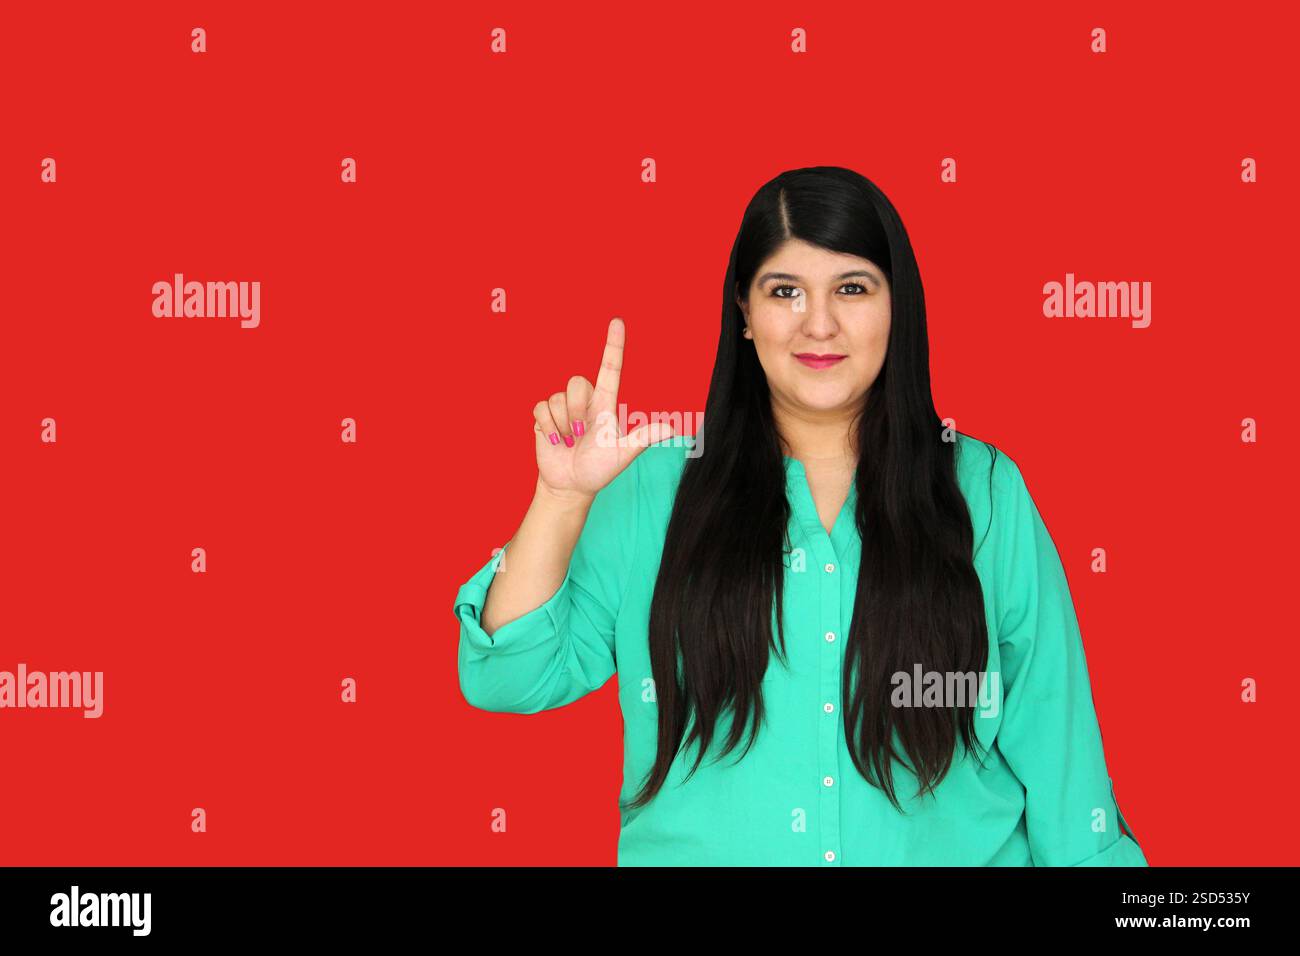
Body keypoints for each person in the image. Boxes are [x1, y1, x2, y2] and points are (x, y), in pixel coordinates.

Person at [452, 166, 1148, 866]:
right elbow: (508, 677)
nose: (820, 323)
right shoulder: (655, 490)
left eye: (852, 288)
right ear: (744, 314)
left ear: (897, 305)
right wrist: (563, 498)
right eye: (785, 292)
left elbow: (1061, 756)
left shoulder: (985, 491)